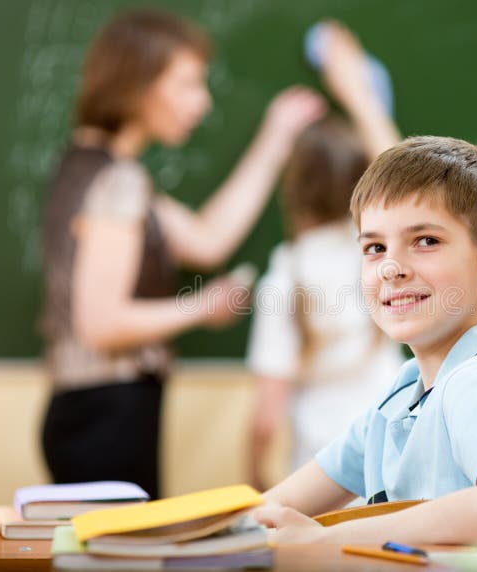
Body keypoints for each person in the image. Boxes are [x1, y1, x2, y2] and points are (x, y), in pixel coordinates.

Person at [39, 8, 324, 499]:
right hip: (108, 413)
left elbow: (207, 239)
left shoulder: (89, 167)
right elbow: (100, 322)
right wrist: (203, 307)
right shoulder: (118, 180)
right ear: (140, 83)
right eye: (188, 84)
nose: (202, 103)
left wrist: (275, 138)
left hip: (91, 412)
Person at [253, 136, 477, 544]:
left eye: (426, 241)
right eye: (375, 247)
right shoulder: (397, 401)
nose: (391, 268)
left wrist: (330, 539)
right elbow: (272, 508)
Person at [245, 22, 403, 490]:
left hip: (318, 487)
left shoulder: (286, 272)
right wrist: (357, 91)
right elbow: (406, 181)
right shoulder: (384, 253)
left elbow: (264, 422)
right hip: (393, 476)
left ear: (294, 189)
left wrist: (254, 479)